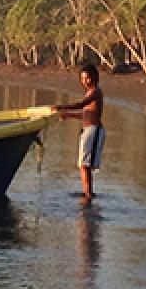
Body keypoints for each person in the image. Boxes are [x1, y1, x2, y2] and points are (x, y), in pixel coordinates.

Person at [53, 63, 105, 203]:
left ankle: (88, 195)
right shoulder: (90, 93)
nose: (84, 81)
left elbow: (81, 105)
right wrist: (68, 115)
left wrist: (60, 106)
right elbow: (85, 114)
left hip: (93, 131)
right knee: (83, 165)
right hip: (88, 130)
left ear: (94, 77)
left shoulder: (96, 91)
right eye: (82, 79)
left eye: (87, 78)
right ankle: (87, 194)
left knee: (85, 165)